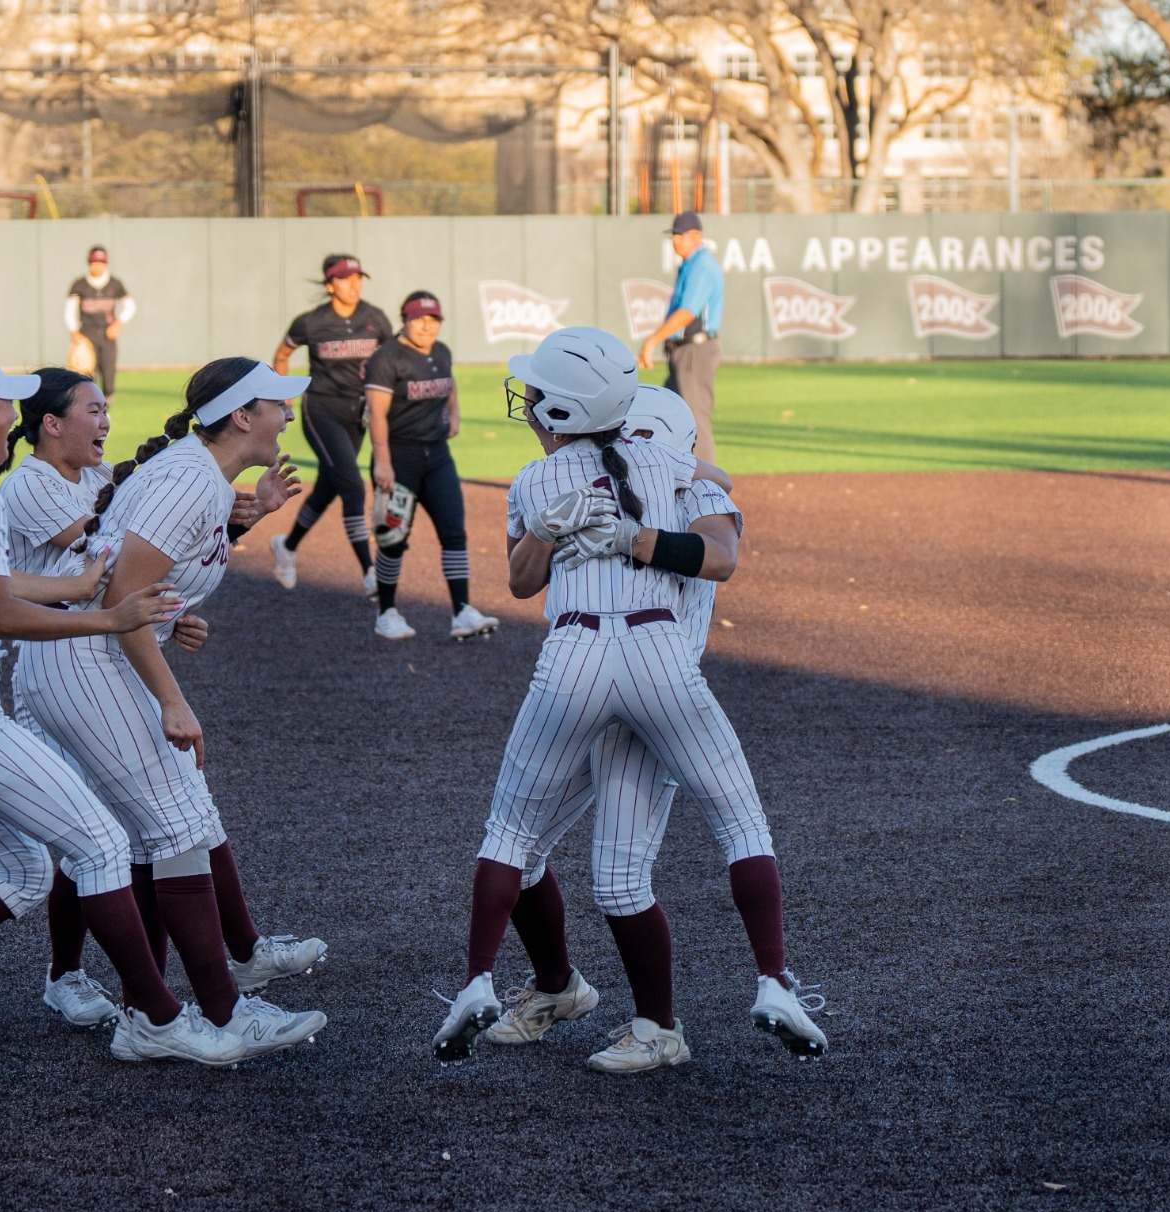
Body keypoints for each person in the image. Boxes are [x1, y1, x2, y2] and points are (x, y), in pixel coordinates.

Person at [433, 326, 824, 1072]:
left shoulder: (547, 476)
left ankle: (500, 984)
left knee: (528, 840)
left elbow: (711, 543)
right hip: (657, 673)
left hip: (581, 667)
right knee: (726, 826)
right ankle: (759, 979)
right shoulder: (674, 467)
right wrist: (640, 518)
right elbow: (715, 503)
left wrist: (629, 537)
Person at [0, 354, 251, 1076]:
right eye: (8, 405)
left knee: (27, 869)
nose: (17, 418)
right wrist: (110, 617)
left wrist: (83, 583)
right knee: (99, 843)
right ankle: (158, 1018)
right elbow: (1, 612)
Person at [20, 357, 331, 1059]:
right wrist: (173, 698)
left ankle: (150, 1012)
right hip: (84, 660)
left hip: (98, 655)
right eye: (276, 404)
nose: (287, 414)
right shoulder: (191, 479)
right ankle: (222, 1013)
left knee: (169, 824)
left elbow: (143, 589)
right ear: (241, 417)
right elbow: (117, 595)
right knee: (176, 824)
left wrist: (175, 616)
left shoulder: (201, 476)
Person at [0, 368, 210, 1029]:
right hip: (52, 669)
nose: (105, 420)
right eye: (93, 408)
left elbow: (124, 572)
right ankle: (72, 976)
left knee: (103, 833)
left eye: (106, 408)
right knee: (90, 834)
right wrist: (196, 506)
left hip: (90, 660)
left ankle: (125, 982)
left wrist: (176, 616)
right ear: (51, 424)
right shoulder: (31, 483)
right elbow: (107, 553)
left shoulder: (92, 480)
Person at [362, 290, 499, 643]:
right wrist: (383, 463)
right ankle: (386, 612)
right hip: (399, 457)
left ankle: (462, 612)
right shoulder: (386, 358)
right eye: (419, 319)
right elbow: (376, 414)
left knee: (454, 531)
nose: (426, 326)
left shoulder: (441, 351)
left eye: (433, 319)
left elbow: (449, 385)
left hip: (437, 456)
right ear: (404, 320)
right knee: (393, 539)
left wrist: (454, 415)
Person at [269, 254, 392, 596]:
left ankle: (287, 546)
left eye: (357, 278)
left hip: (359, 414)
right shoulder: (311, 322)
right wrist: (284, 395)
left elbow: (392, 359)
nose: (353, 284)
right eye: (344, 278)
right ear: (329, 284)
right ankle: (370, 572)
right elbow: (282, 354)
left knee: (330, 485)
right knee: (352, 486)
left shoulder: (374, 318)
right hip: (321, 410)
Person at [636, 211, 724, 464]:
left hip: (696, 350)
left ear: (697, 236)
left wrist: (652, 340)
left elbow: (687, 313)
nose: (676, 240)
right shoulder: (690, 265)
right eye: (674, 235)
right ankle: (665, 474)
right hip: (684, 351)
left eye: (681, 235)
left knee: (695, 419)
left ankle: (707, 490)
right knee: (664, 413)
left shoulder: (702, 266)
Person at [65, 247, 134, 397]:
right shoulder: (79, 285)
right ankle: (93, 413)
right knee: (88, 380)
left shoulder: (114, 284)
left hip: (107, 336)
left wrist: (119, 323)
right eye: (95, 262)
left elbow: (130, 306)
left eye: (101, 263)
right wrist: (74, 332)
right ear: (89, 263)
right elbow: (69, 310)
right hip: (86, 336)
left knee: (109, 382)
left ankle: (104, 410)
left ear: (106, 264)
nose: (98, 266)